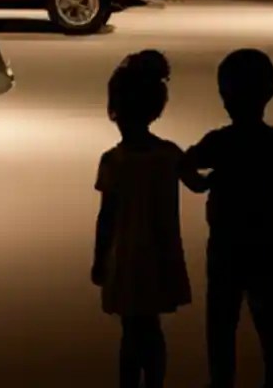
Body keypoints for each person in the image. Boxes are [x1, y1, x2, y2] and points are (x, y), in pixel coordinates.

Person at [183, 49, 273, 388]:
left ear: (223, 96)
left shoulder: (218, 142)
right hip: (265, 239)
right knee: (269, 319)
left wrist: (201, 183)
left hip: (224, 241)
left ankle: (222, 381)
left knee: (221, 320)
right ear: (270, 91)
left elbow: (186, 165)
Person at [91, 50, 206, 387]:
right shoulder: (169, 155)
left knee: (132, 331)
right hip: (161, 253)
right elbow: (199, 184)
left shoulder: (113, 161)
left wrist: (99, 260)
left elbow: (107, 217)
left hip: (126, 257)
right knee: (151, 328)